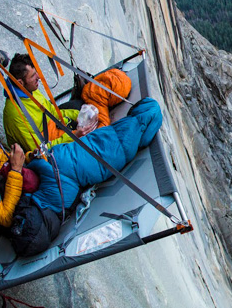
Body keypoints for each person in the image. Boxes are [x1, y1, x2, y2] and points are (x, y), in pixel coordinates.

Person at [10, 97, 163, 255]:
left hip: (75, 165)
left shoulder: (128, 127)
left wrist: (30, 161)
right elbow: (46, 167)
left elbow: (47, 167)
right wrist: (34, 161)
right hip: (82, 163)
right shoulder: (132, 141)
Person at [2, 54, 94, 153]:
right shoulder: (15, 114)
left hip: (54, 129)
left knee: (79, 106)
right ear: (20, 83)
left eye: (36, 72)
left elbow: (53, 112)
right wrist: (73, 136)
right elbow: (40, 150)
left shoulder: (29, 90)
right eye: (33, 76)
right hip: (47, 148)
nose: (38, 77)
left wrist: (78, 115)